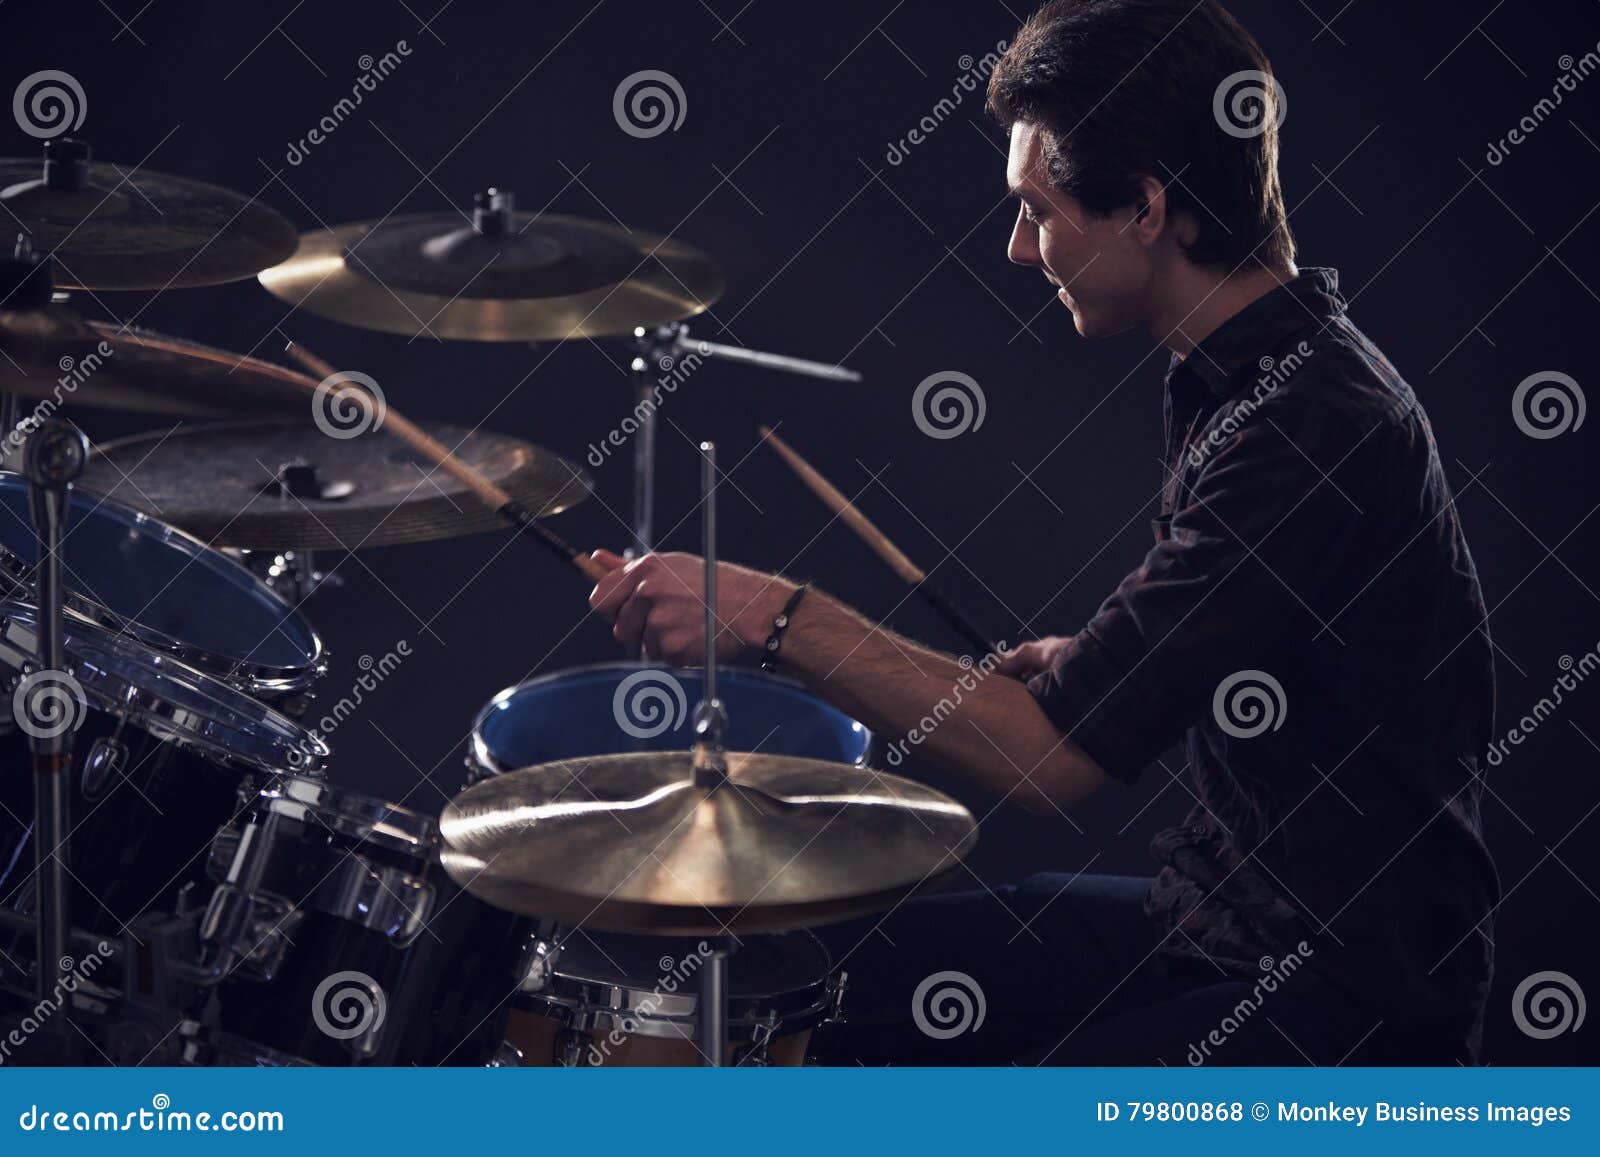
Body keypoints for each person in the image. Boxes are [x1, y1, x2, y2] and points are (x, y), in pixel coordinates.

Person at [589, 0, 1499, 1065]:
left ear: (1146, 207)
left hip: (1345, 998)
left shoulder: (1306, 425)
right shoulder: (1243, 374)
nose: (1018, 249)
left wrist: (768, 615)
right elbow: (1255, 633)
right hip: (1217, 921)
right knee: (819, 984)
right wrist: (1093, 663)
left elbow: (1048, 762)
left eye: (1037, 209)